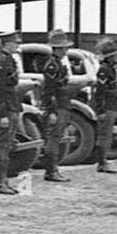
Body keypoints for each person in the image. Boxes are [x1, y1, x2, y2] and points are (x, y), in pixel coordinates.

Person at [0, 31, 23, 194]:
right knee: (2, 145)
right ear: (6, 44)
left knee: (7, 144)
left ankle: (4, 181)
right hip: (6, 108)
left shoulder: (9, 60)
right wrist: (2, 114)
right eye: (14, 42)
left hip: (12, 106)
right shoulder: (2, 61)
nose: (17, 45)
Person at [39, 29, 74, 182]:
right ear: (58, 49)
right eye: (64, 47)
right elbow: (49, 90)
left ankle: (53, 169)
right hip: (57, 106)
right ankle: (51, 171)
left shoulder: (58, 64)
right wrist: (51, 111)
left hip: (63, 104)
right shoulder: (52, 65)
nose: (66, 50)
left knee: (57, 137)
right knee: (53, 138)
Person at [90, 39, 117, 173]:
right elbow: (100, 91)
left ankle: (104, 161)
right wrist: (101, 109)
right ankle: (102, 162)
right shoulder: (104, 70)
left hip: (111, 104)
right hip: (107, 105)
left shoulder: (110, 69)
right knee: (104, 134)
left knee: (107, 134)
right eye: (116, 54)